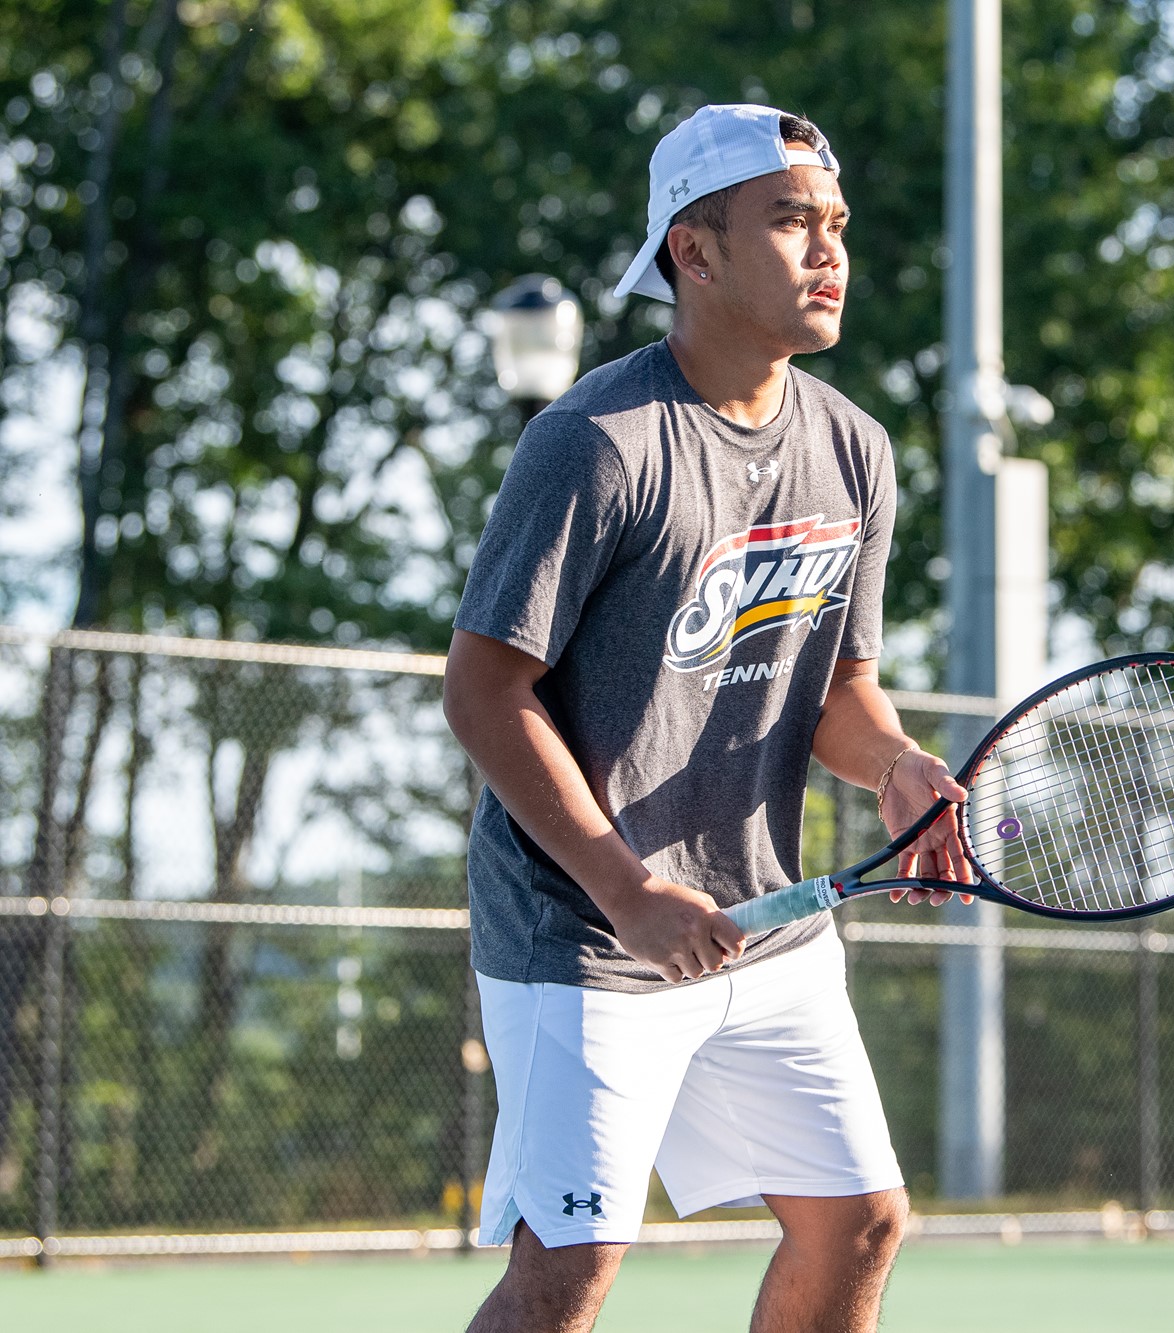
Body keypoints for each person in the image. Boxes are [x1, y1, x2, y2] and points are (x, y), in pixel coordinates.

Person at [443, 103, 969, 1333]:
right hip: (583, 933)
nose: (829, 250)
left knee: (860, 1221)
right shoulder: (595, 442)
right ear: (695, 250)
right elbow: (482, 689)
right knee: (568, 1269)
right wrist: (628, 891)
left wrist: (892, 765)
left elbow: (836, 685)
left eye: (836, 224)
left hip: (762, 929)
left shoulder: (856, 450)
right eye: (792, 221)